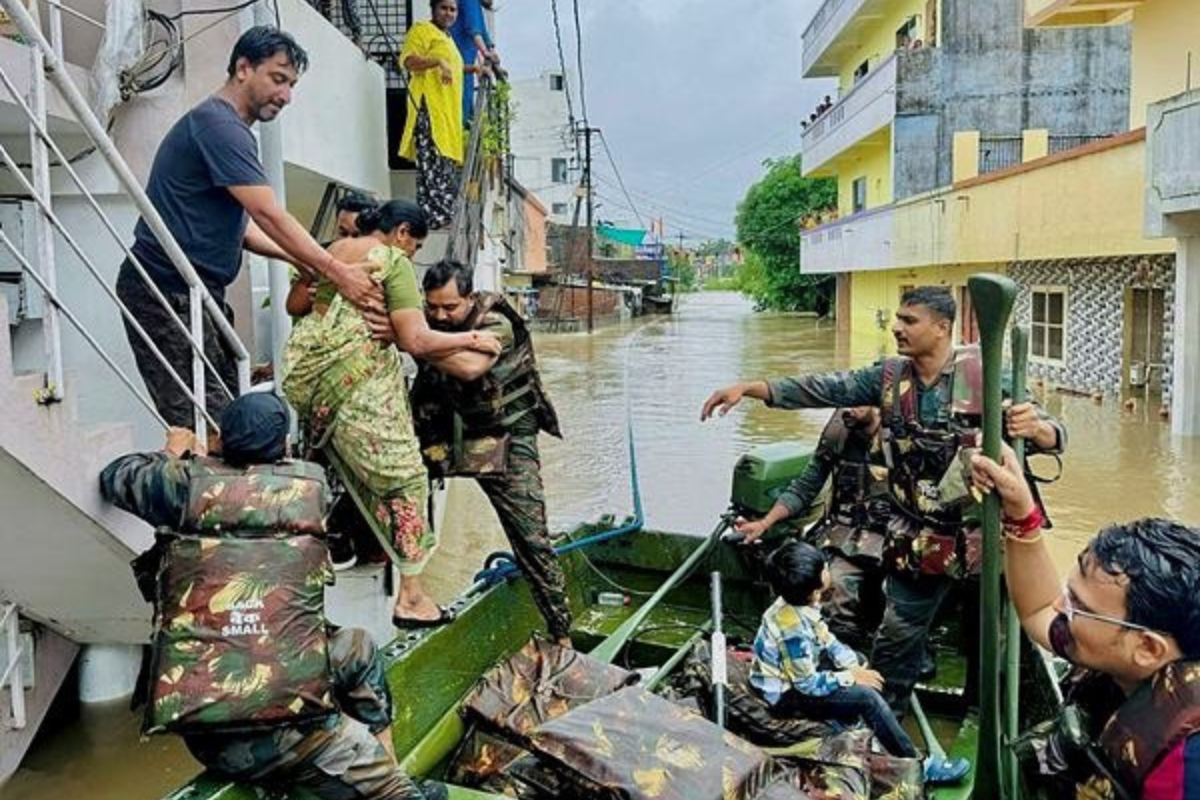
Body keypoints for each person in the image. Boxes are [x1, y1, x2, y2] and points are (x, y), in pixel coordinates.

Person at [701, 286, 1067, 711]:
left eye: (909, 320)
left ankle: (983, 715)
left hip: (986, 538)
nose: (897, 327)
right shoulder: (888, 378)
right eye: (897, 318)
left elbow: (1055, 434)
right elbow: (824, 387)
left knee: (993, 642)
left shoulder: (985, 375)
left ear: (942, 327)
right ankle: (882, 720)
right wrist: (750, 388)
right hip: (921, 539)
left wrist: (1037, 429)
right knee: (895, 642)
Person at [99, 393, 445, 800]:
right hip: (288, 732)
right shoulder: (311, 488)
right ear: (282, 446)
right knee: (404, 795)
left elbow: (115, 476)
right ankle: (383, 774)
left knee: (359, 647)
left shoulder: (182, 486)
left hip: (206, 735)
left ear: (222, 440)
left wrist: (173, 453)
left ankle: (378, 768)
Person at [117, 26, 384, 443]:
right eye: (278, 79)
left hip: (198, 292)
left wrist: (302, 261)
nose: (286, 95)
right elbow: (268, 213)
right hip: (163, 289)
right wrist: (336, 271)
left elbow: (244, 228)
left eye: (291, 85)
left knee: (232, 419)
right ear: (243, 68)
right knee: (202, 428)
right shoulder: (218, 127)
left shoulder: (230, 130)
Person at [281, 201, 501, 628]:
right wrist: (472, 339)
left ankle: (334, 545)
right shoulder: (391, 262)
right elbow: (417, 341)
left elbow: (297, 307)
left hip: (309, 382)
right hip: (355, 384)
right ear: (401, 232)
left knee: (345, 461)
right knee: (407, 479)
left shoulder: (329, 252)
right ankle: (411, 597)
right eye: (415, 246)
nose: (412, 255)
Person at [972, 444, 1200, 800]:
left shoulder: (1187, 768)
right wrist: (1021, 513)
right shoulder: (1126, 653)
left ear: (1147, 647)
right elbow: (1039, 610)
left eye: (1078, 606)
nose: (1060, 605)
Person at [410, 260, 571, 645]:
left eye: (450, 307)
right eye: (433, 307)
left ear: (469, 298)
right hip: (444, 434)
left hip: (503, 438)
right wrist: (423, 335)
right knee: (390, 482)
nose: (440, 316)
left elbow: (469, 367)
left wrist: (415, 341)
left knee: (531, 539)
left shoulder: (495, 320)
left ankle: (562, 634)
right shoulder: (424, 321)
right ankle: (406, 594)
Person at [749, 540, 970, 784]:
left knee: (859, 660)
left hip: (795, 674)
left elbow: (825, 638)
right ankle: (917, 765)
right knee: (867, 698)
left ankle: (852, 722)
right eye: (824, 568)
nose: (828, 568)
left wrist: (852, 665)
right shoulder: (793, 630)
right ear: (814, 591)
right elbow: (807, 684)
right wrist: (851, 677)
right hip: (787, 696)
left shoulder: (797, 604)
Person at [735, 407, 890, 653]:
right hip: (846, 536)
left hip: (898, 537)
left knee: (904, 601)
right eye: (843, 402)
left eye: (856, 402)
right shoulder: (839, 430)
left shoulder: (905, 428)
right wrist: (765, 523)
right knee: (828, 586)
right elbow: (806, 485)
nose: (848, 409)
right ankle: (839, 655)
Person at [398, 1, 489, 229]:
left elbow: (453, 68)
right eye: (444, 8)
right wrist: (436, 61)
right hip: (428, 107)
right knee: (432, 164)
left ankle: (443, 216)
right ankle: (435, 218)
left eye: (453, 9)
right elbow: (409, 61)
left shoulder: (447, 38)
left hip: (447, 113)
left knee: (445, 165)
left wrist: (474, 69)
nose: (449, 13)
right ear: (433, 9)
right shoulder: (422, 30)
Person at [449, 0, 499, 125]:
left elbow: (483, 34)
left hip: (465, 62)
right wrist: (485, 52)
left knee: (465, 102)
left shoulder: (476, 5)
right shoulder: (470, 1)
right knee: (461, 105)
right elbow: (474, 31)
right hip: (459, 60)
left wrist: (489, 53)